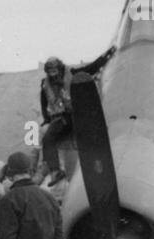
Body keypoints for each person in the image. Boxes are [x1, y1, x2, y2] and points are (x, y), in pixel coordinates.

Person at [38, 48, 115, 179]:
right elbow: (44, 103)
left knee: (89, 136)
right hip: (61, 119)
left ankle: (101, 164)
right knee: (47, 138)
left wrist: (105, 56)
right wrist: (46, 120)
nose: (53, 75)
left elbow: (91, 68)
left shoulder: (72, 74)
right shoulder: (45, 86)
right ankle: (55, 171)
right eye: (50, 72)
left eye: (55, 71)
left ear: (60, 69)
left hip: (78, 114)